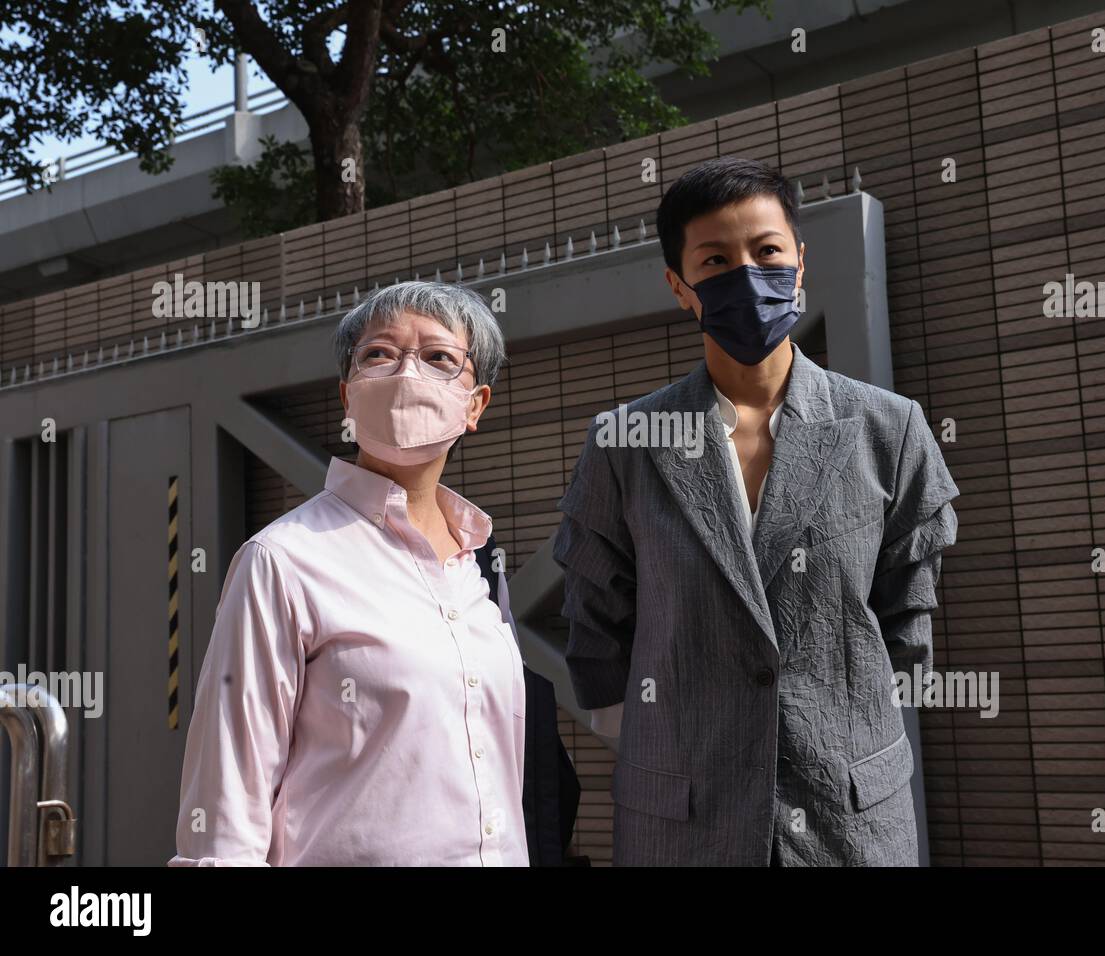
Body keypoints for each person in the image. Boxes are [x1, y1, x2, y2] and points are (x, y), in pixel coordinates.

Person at [553, 156, 960, 866]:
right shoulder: (624, 442)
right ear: (680, 286)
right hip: (681, 816)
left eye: (766, 251)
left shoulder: (888, 429)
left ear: (800, 263)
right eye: (715, 259)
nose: (746, 273)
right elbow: (596, 625)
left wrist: (838, 718)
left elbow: (905, 617)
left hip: (849, 816)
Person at [170, 281, 528, 866]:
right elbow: (227, 803)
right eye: (379, 354)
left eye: (439, 357)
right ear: (347, 395)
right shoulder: (282, 560)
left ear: (475, 405)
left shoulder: (479, 565)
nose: (406, 373)